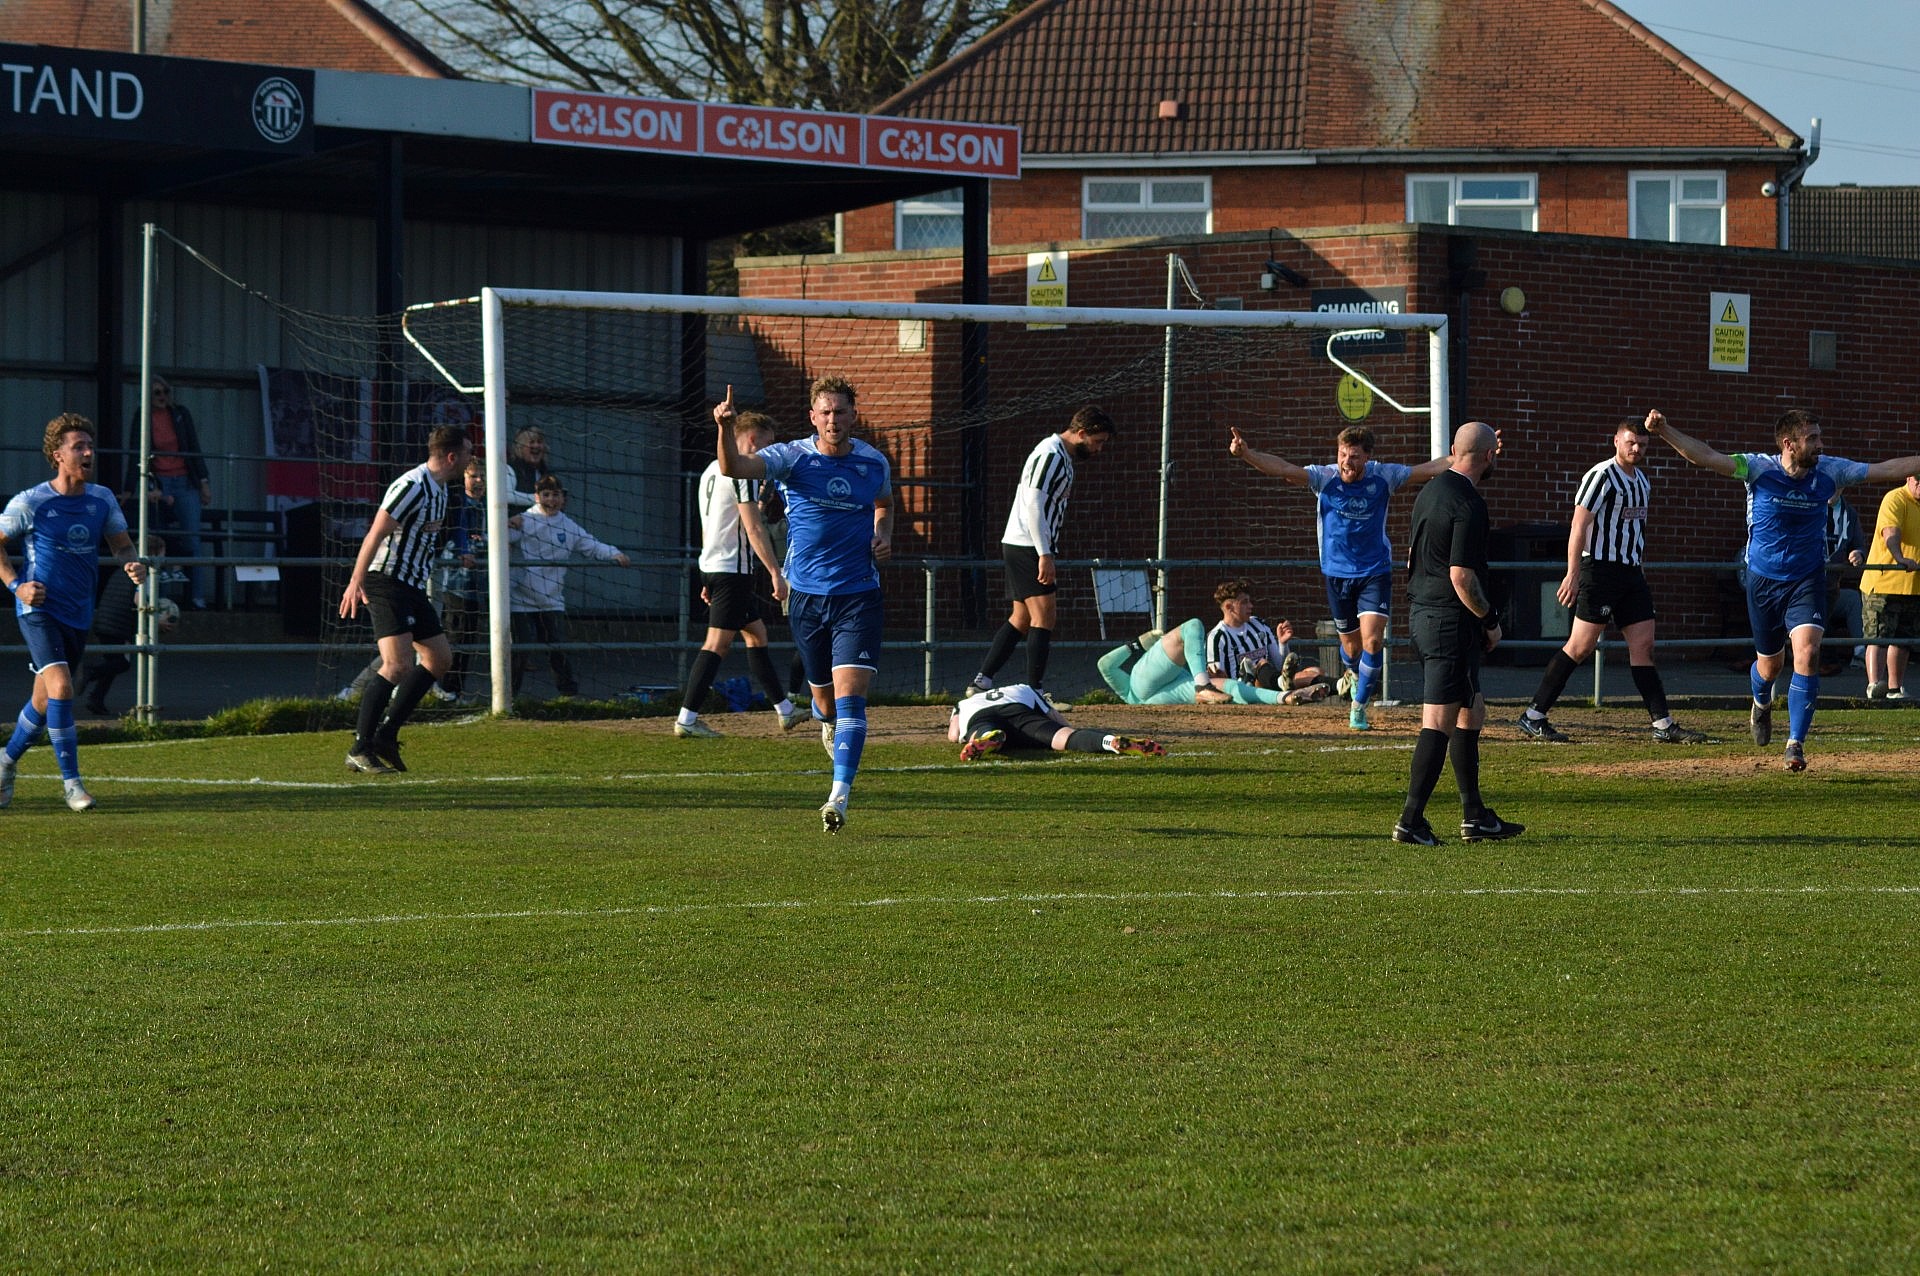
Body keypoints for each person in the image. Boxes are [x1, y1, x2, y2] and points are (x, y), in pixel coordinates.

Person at [1648, 407, 1920, 771]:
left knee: (1807, 652)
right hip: (1762, 581)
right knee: (1771, 665)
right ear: (1789, 444)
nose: (1820, 445)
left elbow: (1884, 469)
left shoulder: (1831, 470)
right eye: (1813, 439)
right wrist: (1666, 431)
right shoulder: (1758, 468)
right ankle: (1760, 703)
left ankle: (1795, 743)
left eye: (1820, 437)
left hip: (1808, 580)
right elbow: (1707, 457)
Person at [716, 377, 892, 835]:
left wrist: (884, 534)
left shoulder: (873, 462)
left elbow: (884, 503)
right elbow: (734, 467)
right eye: (825, 412)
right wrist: (724, 426)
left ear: (854, 415)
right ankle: (825, 719)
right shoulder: (790, 457)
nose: (833, 420)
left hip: (858, 596)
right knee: (823, 701)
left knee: (853, 701)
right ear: (813, 418)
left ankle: (839, 795)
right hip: (807, 599)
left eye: (841, 411)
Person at [1229, 424, 1471, 732]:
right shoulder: (1325, 477)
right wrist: (1247, 454)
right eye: (1343, 454)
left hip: (1374, 572)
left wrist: (1469, 454)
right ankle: (1352, 673)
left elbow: (1428, 469)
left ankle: (1358, 706)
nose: (1346, 462)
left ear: (1368, 457)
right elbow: (1283, 469)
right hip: (1336, 576)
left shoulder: (1383, 477)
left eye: (1354, 456)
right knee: (1353, 650)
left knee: (1372, 641)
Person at [1515, 417, 1707, 745]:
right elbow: (1578, 526)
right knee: (1580, 646)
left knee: (1644, 647)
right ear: (1616, 440)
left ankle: (1662, 723)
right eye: (1631, 442)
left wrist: (1639, 569)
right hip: (1600, 570)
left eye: (1643, 445)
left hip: (1631, 573)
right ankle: (1534, 715)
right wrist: (1573, 573)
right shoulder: (1601, 476)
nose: (1636, 449)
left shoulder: (1642, 481)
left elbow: (1637, 531)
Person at [0, 413, 148, 811]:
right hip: (38, 609)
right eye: (78, 446)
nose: (88, 452)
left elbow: (121, 546)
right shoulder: (31, 502)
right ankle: (72, 785)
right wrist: (18, 586)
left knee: (46, 701)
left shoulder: (101, 499)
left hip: (79, 611)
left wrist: (131, 564)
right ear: (57, 455)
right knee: (63, 687)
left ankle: (5, 761)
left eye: (89, 445)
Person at [1392, 421, 1524, 846]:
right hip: (1449, 619)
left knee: (1473, 708)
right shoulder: (1469, 503)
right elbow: (1461, 576)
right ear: (1489, 457)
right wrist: (1490, 620)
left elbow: (1413, 556)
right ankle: (1410, 820)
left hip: (1424, 614)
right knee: (1438, 722)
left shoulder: (1429, 492)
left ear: (1452, 450)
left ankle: (1474, 815)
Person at [338, 423, 473, 774]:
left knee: (439, 659)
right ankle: (360, 747)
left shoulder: (441, 490)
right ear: (451, 456)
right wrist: (356, 580)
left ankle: (386, 736)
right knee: (397, 665)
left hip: (411, 585)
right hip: (386, 582)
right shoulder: (411, 486)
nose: (472, 459)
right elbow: (375, 533)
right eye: (469, 453)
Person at [970, 406, 1115, 697]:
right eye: (1097, 442)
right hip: (1027, 545)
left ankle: (981, 682)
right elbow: (1033, 504)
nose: (1098, 449)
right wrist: (1044, 553)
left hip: (1024, 543)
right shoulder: (1051, 454)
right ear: (1081, 433)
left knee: (1021, 618)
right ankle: (1036, 692)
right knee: (1044, 617)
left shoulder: (1059, 455)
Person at [675, 410, 802, 737]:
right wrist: (776, 572)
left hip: (714, 566)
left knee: (756, 634)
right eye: (767, 443)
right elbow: (753, 527)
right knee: (716, 644)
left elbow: (720, 521)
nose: (769, 452)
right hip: (732, 570)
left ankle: (785, 710)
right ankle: (686, 719)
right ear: (750, 439)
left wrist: (708, 578)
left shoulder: (710, 470)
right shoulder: (742, 473)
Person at [508, 475, 631, 698]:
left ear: (563, 498)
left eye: (556, 495)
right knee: (520, 651)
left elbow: (590, 545)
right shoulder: (525, 520)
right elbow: (499, 538)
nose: (551, 500)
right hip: (521, 599)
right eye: (546, 495)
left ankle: (568, 696)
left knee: (558, 648)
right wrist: (505, 522)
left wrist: (614, 553)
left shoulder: (568, 525)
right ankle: (508, 697)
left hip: (551, 600)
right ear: (537, 497)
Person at [128, 376, 214, 610]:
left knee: (192, 539)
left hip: (185, 481)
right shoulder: (142, 416)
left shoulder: (180, 414)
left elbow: (193, 446)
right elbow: (136, 452)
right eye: (156, 393)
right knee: (157, 540)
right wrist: (133, 488)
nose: (162, 397)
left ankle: (197, 597)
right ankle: (160, 597)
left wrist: (203, 482)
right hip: (160, 482)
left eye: (165, 391)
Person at [1096, 616, 1297, 706]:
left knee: (1229, 689)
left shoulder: (1136, 695)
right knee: (1192, 626)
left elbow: (1105, 666)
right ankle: (1203, 686)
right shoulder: (1131, 689)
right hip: (1141, 688)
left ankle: (1284, 697)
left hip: (1157, 696)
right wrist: (1137, 645)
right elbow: (1103, 665)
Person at [76, 534, 173, 717]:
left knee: (114, 661)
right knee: (120, 663)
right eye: (162, 553)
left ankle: (96, 699)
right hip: (117, 624)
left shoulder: (123, 568)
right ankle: (91, 672)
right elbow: (138, 600)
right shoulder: (144, 572)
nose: (163, 558)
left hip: (105, 621)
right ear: (153, 553)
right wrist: (156, 620)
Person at [948, 682, 1166, 760]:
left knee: (983, 730)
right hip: (1018, 710)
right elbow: (1055, 717)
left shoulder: (963, 703)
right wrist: (1069, 733)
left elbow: (953, 735)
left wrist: (964, 736)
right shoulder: (1022, 688)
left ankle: (987, 739)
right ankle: (1109, 742)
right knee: (1064, 737)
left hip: (980, 717)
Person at [1205, 578, 1332, 702]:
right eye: (1244, 602)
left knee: (1315, 671)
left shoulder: (1258, 624)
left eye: (1249, 601)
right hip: (1243, 693)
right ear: (1229, 607)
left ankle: (1340, 686)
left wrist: (1283, 643)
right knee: (1262, 664)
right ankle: (1337, 685)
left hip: (1271, 681)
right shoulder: (1217, 637)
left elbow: (1279, 666)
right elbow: (1218, 682)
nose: (1250, 605)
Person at [1860, 473, 1920, 701]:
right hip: (1884, 581)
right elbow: (1890, 532)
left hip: (1914, 585)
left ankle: (1895, 688)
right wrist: (1899, 557)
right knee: (1879, 635)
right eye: (1918, 480)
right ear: (1908, 478)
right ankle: (1874, 685)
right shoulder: (1895, 499)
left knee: (1903, 638)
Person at [435, 456, 486, 701]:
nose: (479, 481)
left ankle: (455, 690)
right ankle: (445, 690)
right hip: (455, 585)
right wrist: (465, 547)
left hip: (482, 587)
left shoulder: (493, 508)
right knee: (452, 639)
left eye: (482, 476)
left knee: (468, 641)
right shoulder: (455, 505)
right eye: (473, 476)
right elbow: (450, 539)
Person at [1823, 491, 1866, 676]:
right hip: (1805, 586)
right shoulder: (1811, 507)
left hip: (1831, 586)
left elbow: (1860, 545)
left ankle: (1860, 652)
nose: (1831, 491)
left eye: (1837, 486)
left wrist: (1858, 554)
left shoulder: (1849, 513)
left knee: (1853, 600)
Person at [505, 427, 553, 507]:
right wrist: (538, 499)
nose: (536, 445)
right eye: (532, 442)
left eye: (539, 442)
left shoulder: (543, 472)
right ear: (520, 447)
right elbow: (507, 496)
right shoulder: (509, 468)